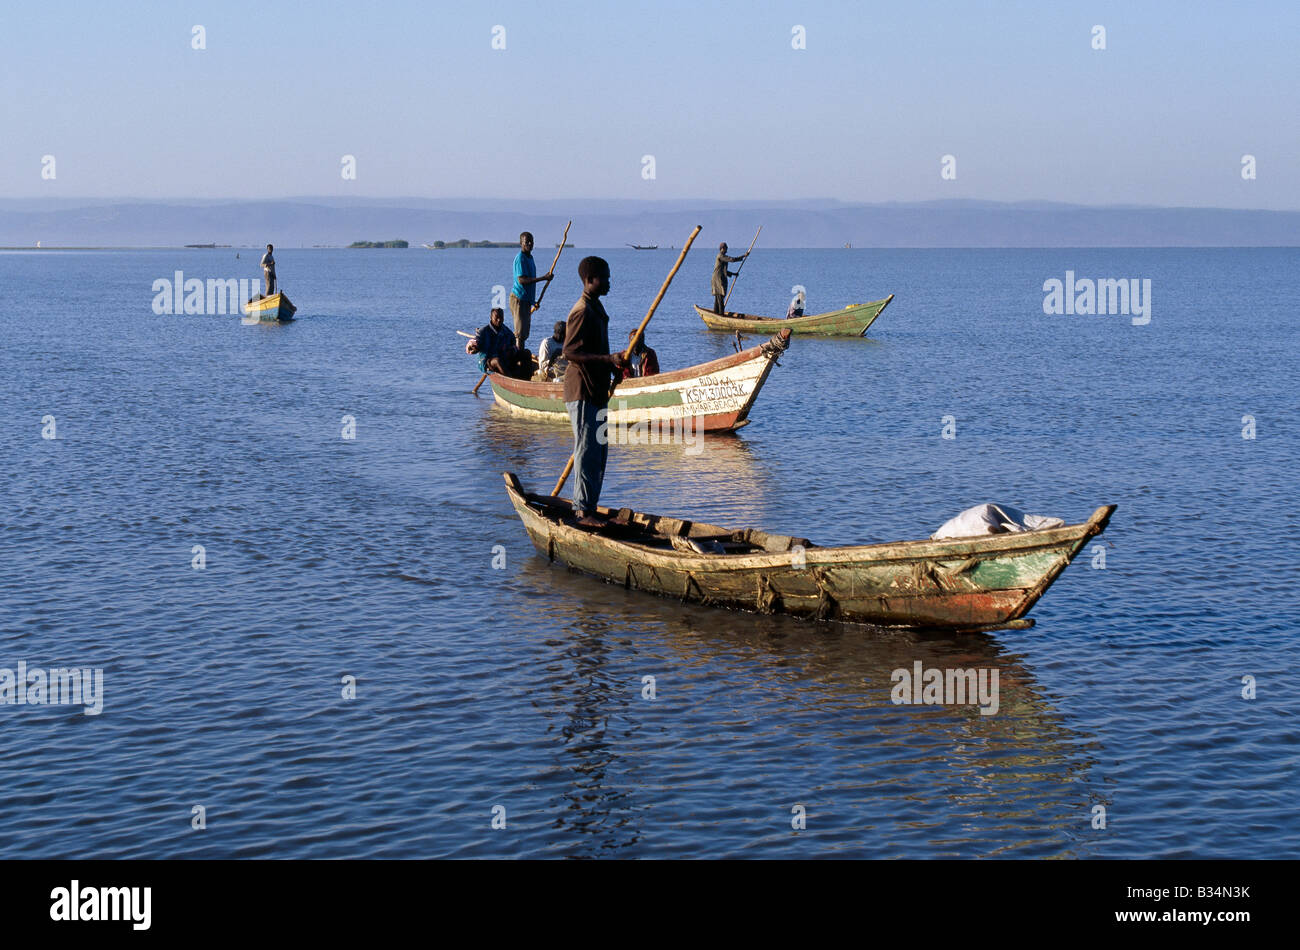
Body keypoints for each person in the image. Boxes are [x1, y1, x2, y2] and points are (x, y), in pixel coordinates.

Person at [563, 257, 625, 526]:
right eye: (605, 278)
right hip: (582, 390)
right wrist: (608, 360)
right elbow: (570, 352)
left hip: (597, 391)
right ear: (590, 280)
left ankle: (589, 507)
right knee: (587, 450)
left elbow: (597, 350)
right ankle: (582, 512)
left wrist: (614, 367)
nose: (609, 282)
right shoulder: (582, 311)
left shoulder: (596, 308)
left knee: (599, 452)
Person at [511, 231, 554, 351]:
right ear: (521, 243)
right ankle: (518, 361)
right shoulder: (520, 259)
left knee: (524, 333)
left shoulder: (530, 258)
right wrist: (543, 278)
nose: (529, 244)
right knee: (519, 334)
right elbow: (522, 280)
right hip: (518, 299)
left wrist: (532, 301)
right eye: (526, 242)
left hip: (526, 300)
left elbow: (529, 282)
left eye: (531, 241)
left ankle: (521, 357)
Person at [468, 307, 526, 378]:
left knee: (526, 353)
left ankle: (526, 378)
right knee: (497, 361)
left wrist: (512, 350)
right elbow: (476, 343)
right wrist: (474, 348)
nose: (499, 320)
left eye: (501, 317)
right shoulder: (483, 331)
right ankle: (510, 380)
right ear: (491, 317)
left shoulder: (506, 331)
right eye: (496, 317)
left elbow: (513, 343)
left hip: (504, 358)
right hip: (489, 361)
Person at [711, 242, 747, 313]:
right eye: (726, 248)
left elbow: (724, 271)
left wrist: (733, 274)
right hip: (717, 279)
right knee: (719, 297)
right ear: (722, 249)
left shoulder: (722, 257)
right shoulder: (720, 256)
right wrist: (743, 256)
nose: (727, 250)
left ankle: (716, 312)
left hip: (719, 278)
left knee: (718, 297)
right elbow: (732, 260)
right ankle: (721, 314)